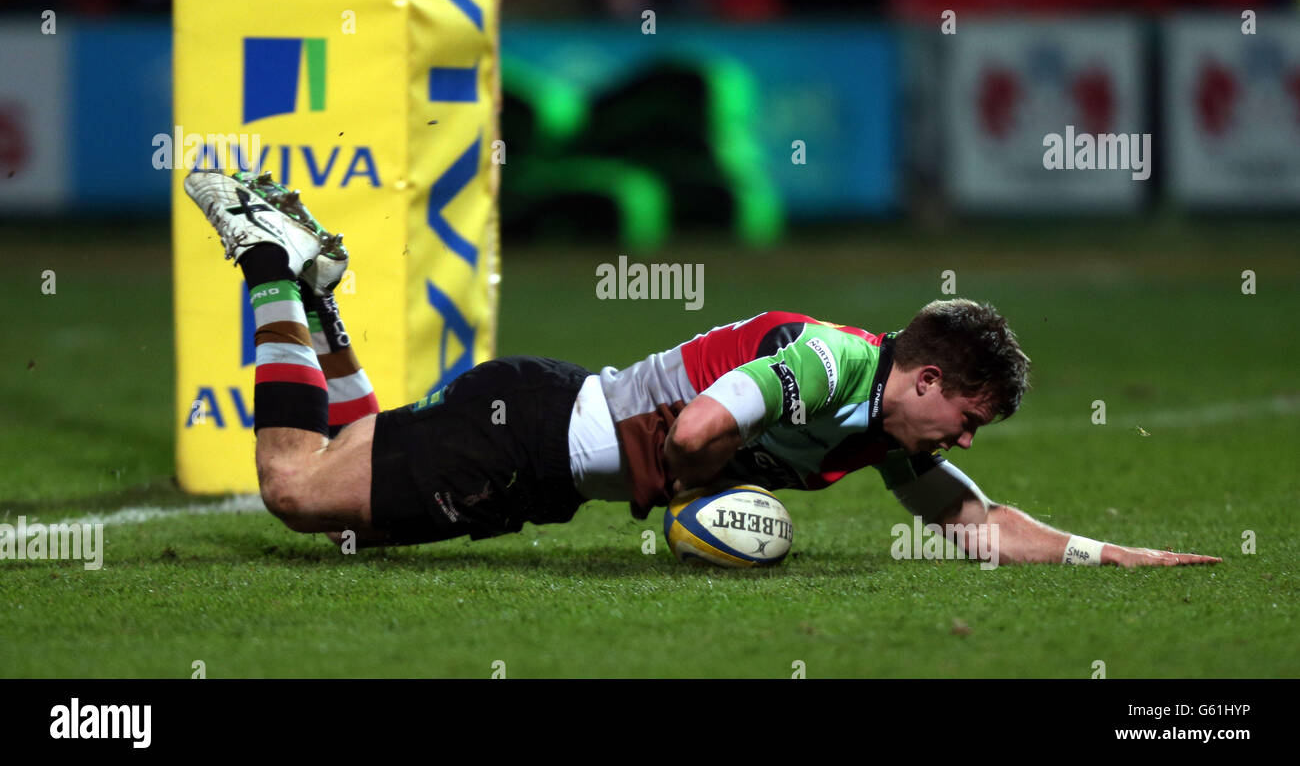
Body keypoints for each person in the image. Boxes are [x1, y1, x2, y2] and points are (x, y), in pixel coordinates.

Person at [184, 170, 1221, 568]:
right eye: (966, 416)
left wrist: (1115, 557)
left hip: (535, 450)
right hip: (526, 432)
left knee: (351, 506)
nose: (962, 438)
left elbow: (976, 524)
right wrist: (710, 510)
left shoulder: (876, 422)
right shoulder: (824, 361)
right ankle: (268, 260)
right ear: (923, 378)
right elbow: (691, 432)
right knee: (292, 488)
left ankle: (318, 298)